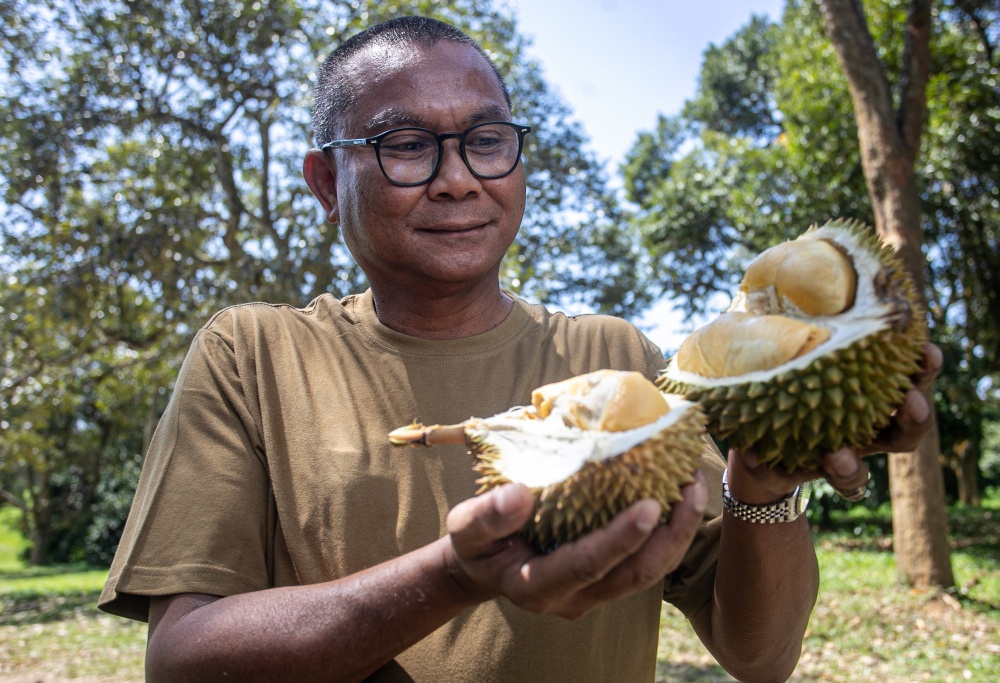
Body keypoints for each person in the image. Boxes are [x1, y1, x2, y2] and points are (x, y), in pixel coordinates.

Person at [98, 15, 941, 683]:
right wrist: (454, 574)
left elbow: (760, 656)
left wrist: (765, 482)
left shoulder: (619, 356)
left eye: (487, 139)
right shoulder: (252, 354)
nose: (458, 177)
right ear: (327, 181)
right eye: (405, 146)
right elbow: (184, 658)